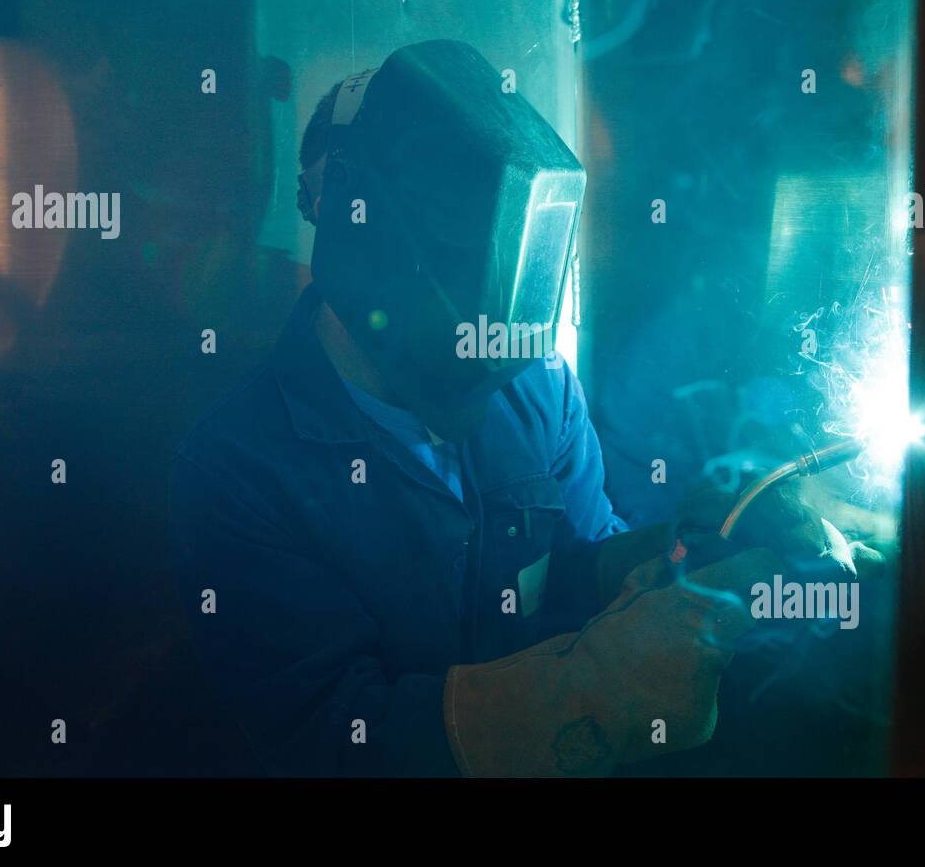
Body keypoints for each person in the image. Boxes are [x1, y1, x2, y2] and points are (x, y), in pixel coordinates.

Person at [169, 39, 869, 776]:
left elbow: (571, 570)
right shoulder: (238, 469)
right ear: (343, 216)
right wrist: (598, 686)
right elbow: (335, 740)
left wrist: (690, 544)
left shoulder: (536, 388)